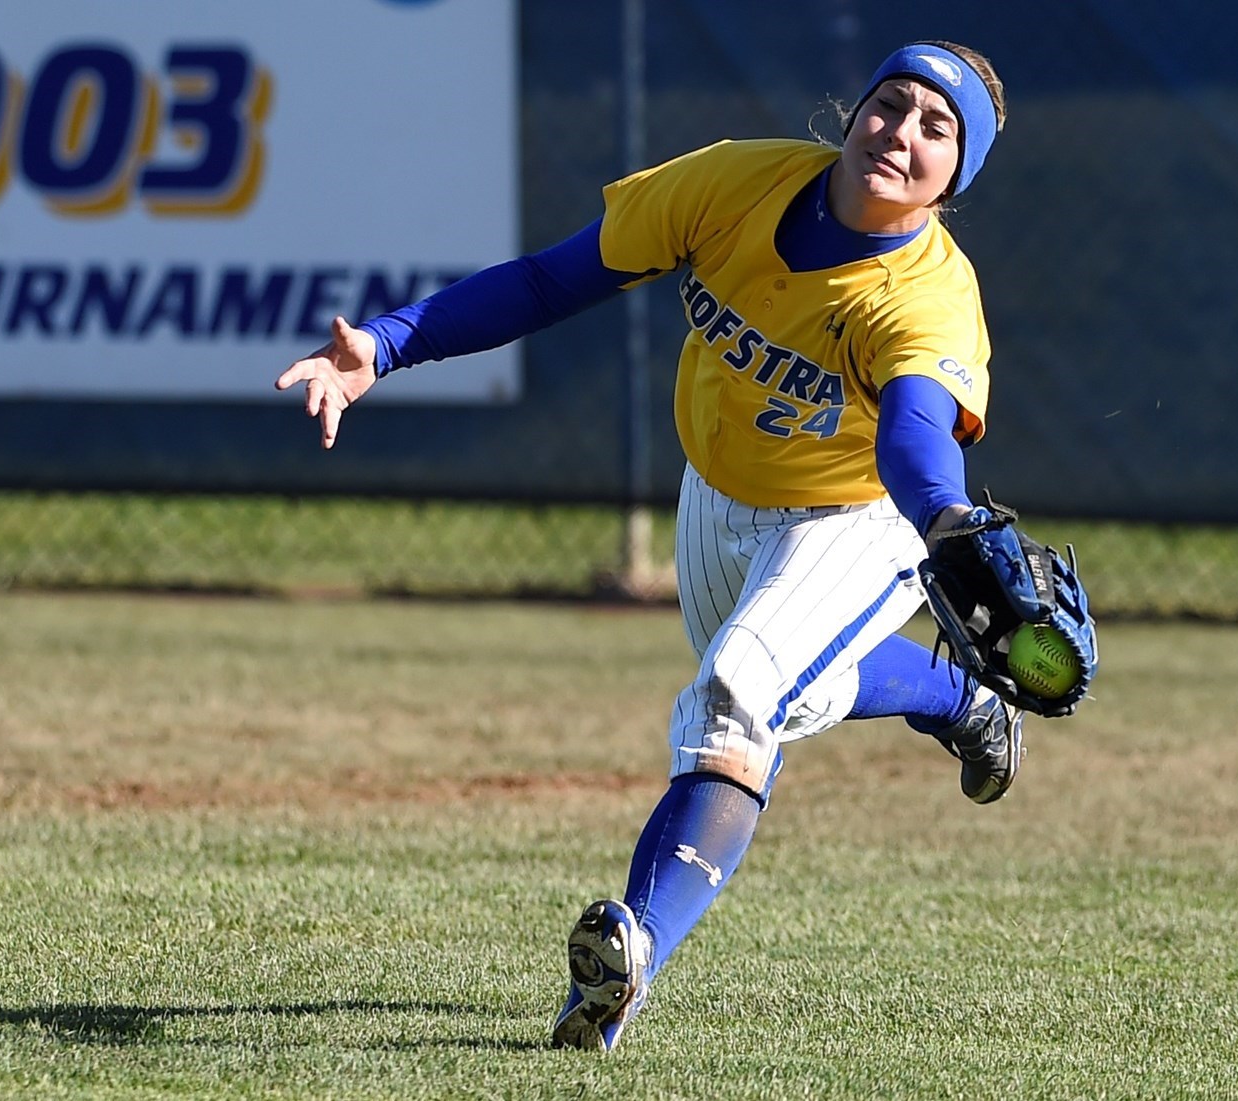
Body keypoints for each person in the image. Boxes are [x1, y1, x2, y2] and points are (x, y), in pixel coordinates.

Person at [277, 41, 1019, 1052]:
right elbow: (552, 280)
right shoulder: (731, 185)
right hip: (716, 495)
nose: (901, 133)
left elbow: (912, 437)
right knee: (781, 685)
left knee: (738, 693)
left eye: (938, 129)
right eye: (890, 106)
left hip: (858, 515)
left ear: (957, 174)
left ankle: (628, 959)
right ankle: (959, 700)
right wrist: (391, 340)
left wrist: (943, 519)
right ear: (853, 115)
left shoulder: (925, 297)